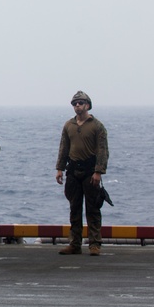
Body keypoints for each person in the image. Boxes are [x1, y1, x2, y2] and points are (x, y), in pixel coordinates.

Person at [55, 90, 109, 256]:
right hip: (73, 171)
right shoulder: (68, 126)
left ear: (87, 105)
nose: (77, 106)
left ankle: (94, 244)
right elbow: (64, 148)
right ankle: (75, 243)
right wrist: (60, 169)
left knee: (92, 209)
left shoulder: (97, 126)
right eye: (74, 103)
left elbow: (102, 150)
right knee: (74, 209)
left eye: (80, 103)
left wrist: (98, 172)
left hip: (90, 171)